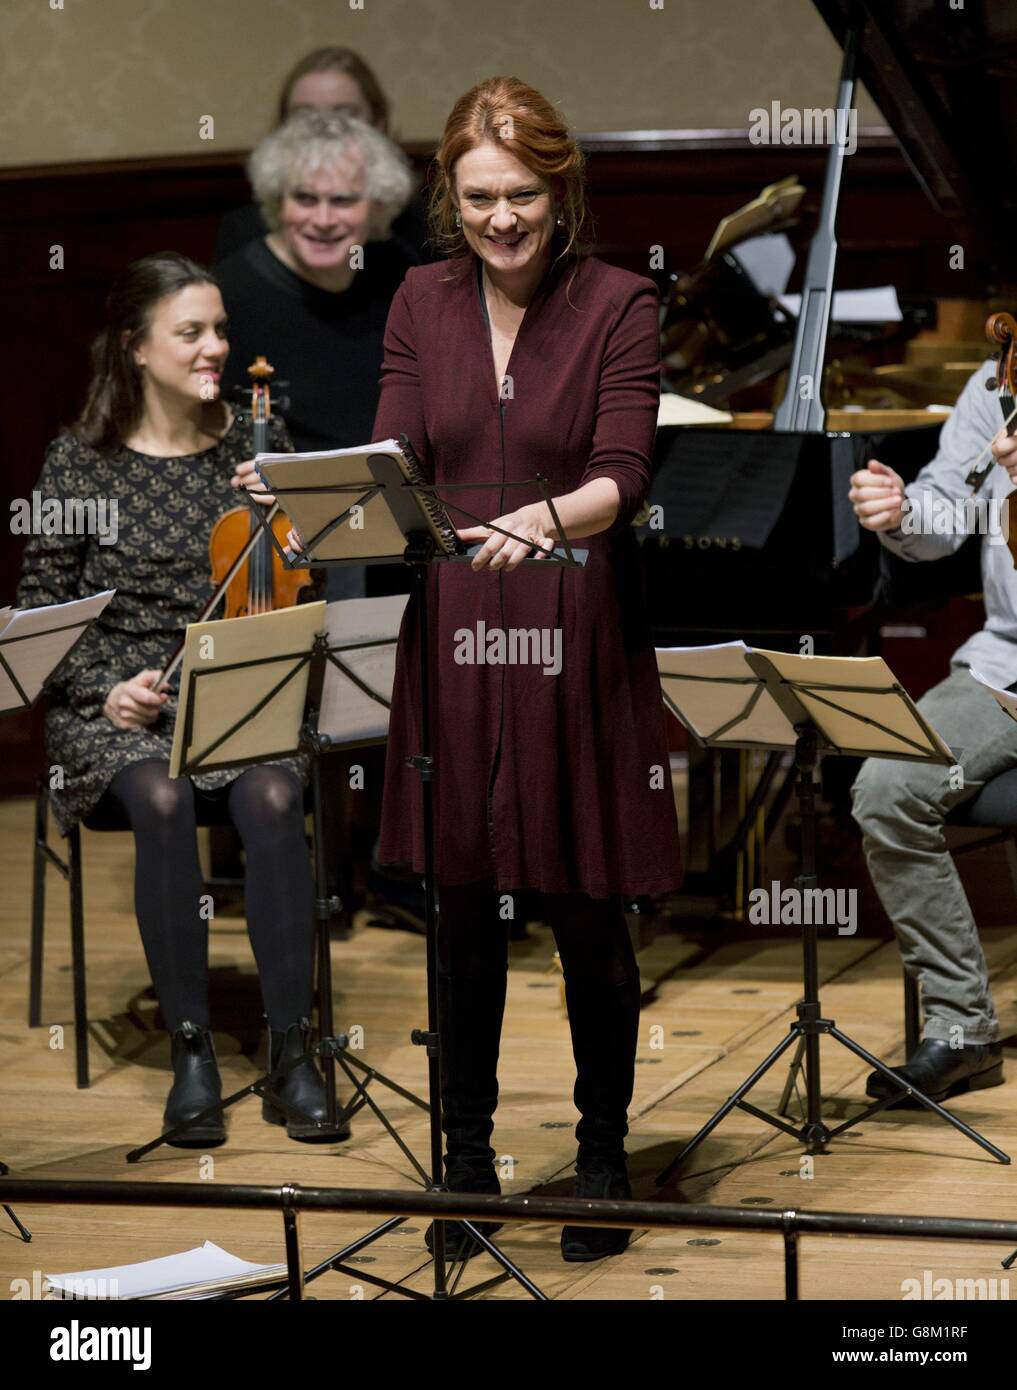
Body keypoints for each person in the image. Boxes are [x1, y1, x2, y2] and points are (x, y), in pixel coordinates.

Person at [344, 74, 683, 1262]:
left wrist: (550, 518)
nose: (500, 219)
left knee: (589, 908)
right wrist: (322, 492)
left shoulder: (619, 301)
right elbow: (397, 448)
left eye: (523, 196)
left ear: (562, 191)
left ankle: (602, 1158)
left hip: (573, 623)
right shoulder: (420, 300)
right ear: (450, 193)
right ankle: (467, 1160)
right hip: (454, 634)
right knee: (460, 912)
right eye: (480, 196)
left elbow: (625, 469)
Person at [16, 252, 347, 1147]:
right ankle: (192, 1050)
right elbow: (41, 614)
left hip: (231, 687)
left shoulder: (254, 447)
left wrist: (290, 512)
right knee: (160, 798)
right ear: (136, 348)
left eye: (220, 330)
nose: (216, 350)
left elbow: (301, 585)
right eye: (191, 332)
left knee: (274, 794)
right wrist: (102, 687)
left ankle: (291, 1052)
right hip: (114, 699)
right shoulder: (78, 465)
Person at [848, 360, 1017, 1104]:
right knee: (886, 786)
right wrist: (900, 514)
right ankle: (960, 1029)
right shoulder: (997, 384)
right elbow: (947, 511)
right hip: (1003, 665)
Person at [216, 108, 415, 604]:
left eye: (343, 200)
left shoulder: (402, 277)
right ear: (277, 201)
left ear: (376, 207)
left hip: (394, 534)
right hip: (278, 554)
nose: (323, 219)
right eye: (305, 198)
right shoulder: (228, 293)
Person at [213, 45, 432, 266]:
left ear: (378, 123)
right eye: (305, 116)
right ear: (282, 126)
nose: (324, 130)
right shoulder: (244, 228)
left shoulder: (421, 225)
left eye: (344, 115)